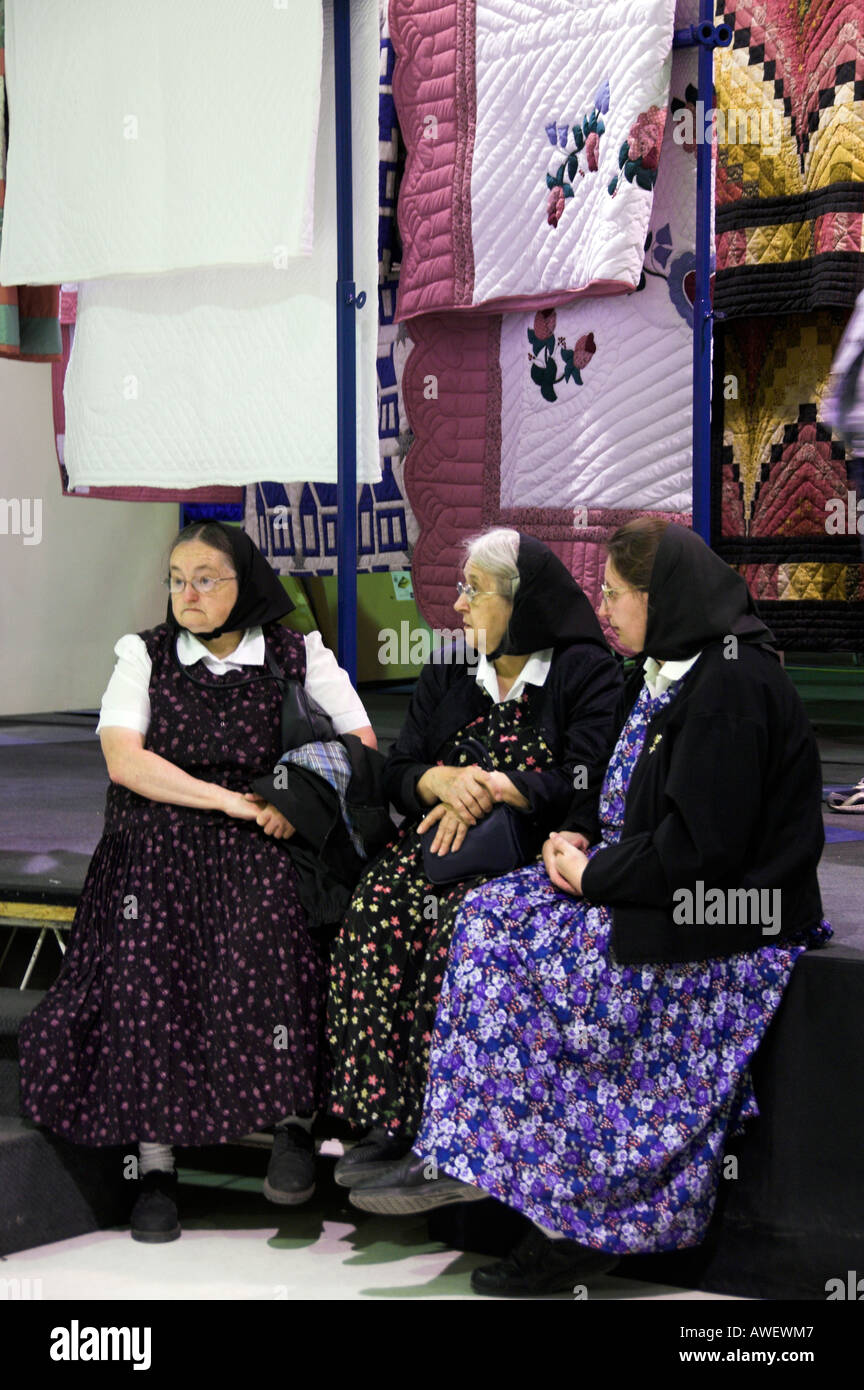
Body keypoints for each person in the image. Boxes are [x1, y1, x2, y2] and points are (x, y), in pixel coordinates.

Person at [348, 519, 831, 1297]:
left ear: (659, 597)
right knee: (487, 915)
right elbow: (603, 784)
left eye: (615, 594)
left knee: (548, 968)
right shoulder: (661, 666)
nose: (603, 609)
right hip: (640, 878)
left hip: (723, 916)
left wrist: (593, 872)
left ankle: (575, 1219)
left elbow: (697, 852)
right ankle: (479, 1155)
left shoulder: (731, 685)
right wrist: (573, 833)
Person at [18, 521, 375, 1242]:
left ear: (243, 582)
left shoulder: (296, 653)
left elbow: (361, 745)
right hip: (163, 835)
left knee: (275, 915)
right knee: (148, 935)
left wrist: (287, 798)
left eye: (205, 578)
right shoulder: (142, 655)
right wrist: (226, 800)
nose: (188, 593)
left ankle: (294, 1128)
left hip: (264, 833)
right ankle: (156, 1166)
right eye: (177, 579)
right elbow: (126, 761)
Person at [328, 528, 623, 1182]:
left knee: (456, 934)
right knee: (376, 911)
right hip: (438, 844)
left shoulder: (585, 670)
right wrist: (436, 781)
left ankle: (445, 1132)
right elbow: (399, 766)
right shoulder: (452, 666)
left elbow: (590, 777)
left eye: (474, 590)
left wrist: (509, 787)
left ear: (519, 601)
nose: (458, 604)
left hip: (521, 853)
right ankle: (384, 1118)